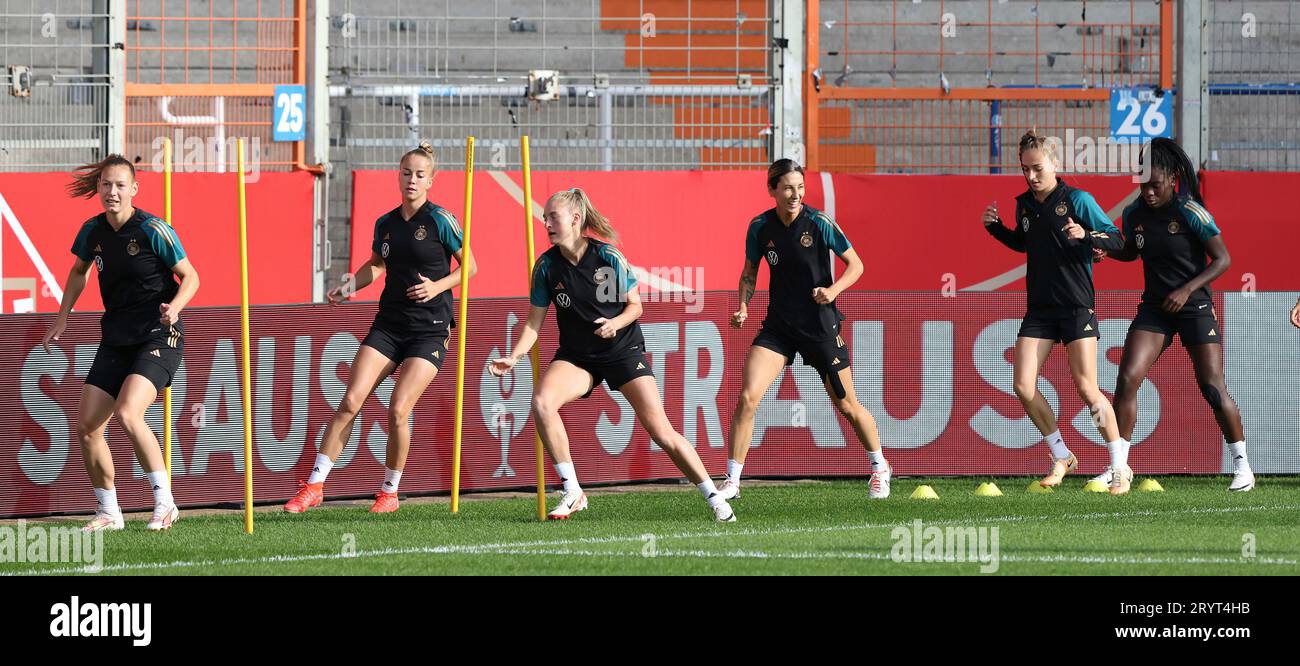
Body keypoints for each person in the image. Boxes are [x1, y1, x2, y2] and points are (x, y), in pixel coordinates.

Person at [489, 188, 736, 522]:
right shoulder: (546, 266)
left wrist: (614, 324)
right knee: (542, 403)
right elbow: (534, 323)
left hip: (622, 350)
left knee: (661, 431)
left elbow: (636, 306)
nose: (546, 223)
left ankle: (715, 498)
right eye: (545, 217)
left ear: (575, 219)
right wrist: (514, 357)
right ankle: (573, 491)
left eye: (553, 217)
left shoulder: (607, 256)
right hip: (578, 356)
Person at [284, 142, 475, 514]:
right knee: (350, 401)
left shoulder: (441, 220)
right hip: (389, 324)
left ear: (431, 181)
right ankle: (315, 486)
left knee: (398, 409)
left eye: (420, 175)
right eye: (406, 173)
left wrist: (437, 287)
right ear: (398, 176)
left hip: (430, 329)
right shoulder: (386, 224)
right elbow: (376, 265)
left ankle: (389, 492)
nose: (412, 180)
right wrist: (348, 287)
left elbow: (469, 266)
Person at [717, 158, 891, 502]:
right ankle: (732, 482)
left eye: (800, 187)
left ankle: (879, 467)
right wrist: (743, 306)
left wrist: (833, 291)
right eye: (787, 188)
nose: (795, 194)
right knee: (747, 398)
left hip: (820, 327)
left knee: (848, 406)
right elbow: (749, 272)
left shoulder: (819, 223)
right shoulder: (760, 227)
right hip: (779, 328)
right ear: (772, 190)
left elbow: (856, 265)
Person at [44, 155, 201, 531]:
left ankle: (165, 503)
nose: (111, 192)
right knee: (87, 427)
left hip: (158, 334)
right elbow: (78, 272)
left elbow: (192, 277)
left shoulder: (153, 229)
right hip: (116, 337)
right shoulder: (92, 231)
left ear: (134, 189)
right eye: (105, 185)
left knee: (129, 413)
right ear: (98, 188)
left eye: (119, 185)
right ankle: (109, 512)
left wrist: (175, 308)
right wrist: (63, 316)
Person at [983, 130, 1133, 494]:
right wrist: (997, 230)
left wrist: (1087, 235)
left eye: (1037, 168)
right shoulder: (1025, 204)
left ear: (1054, 163)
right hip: (1040, 310)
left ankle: (1119, 467)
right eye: (1025, 169)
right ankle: (1062, 455)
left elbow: (1117, 240)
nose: (1031, 176)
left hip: (1076, 306)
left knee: (1087, 388)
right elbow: (1025, 242)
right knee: (1022, 385)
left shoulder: (1078, 200)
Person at [1100, 137, 1252, 491]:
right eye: (1143, 185)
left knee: (1212, 387)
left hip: (1194, 306)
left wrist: (1187, 289)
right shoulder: (1134, 213)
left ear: (1172, 179)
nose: (1149, 192)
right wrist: (1104, 249)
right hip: (1156, 309)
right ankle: (1119, 467)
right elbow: (1131, 251)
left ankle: (1243, 466)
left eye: (1155, 185)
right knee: (1127, 379)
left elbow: (1223, 259)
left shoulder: (1190, 211)